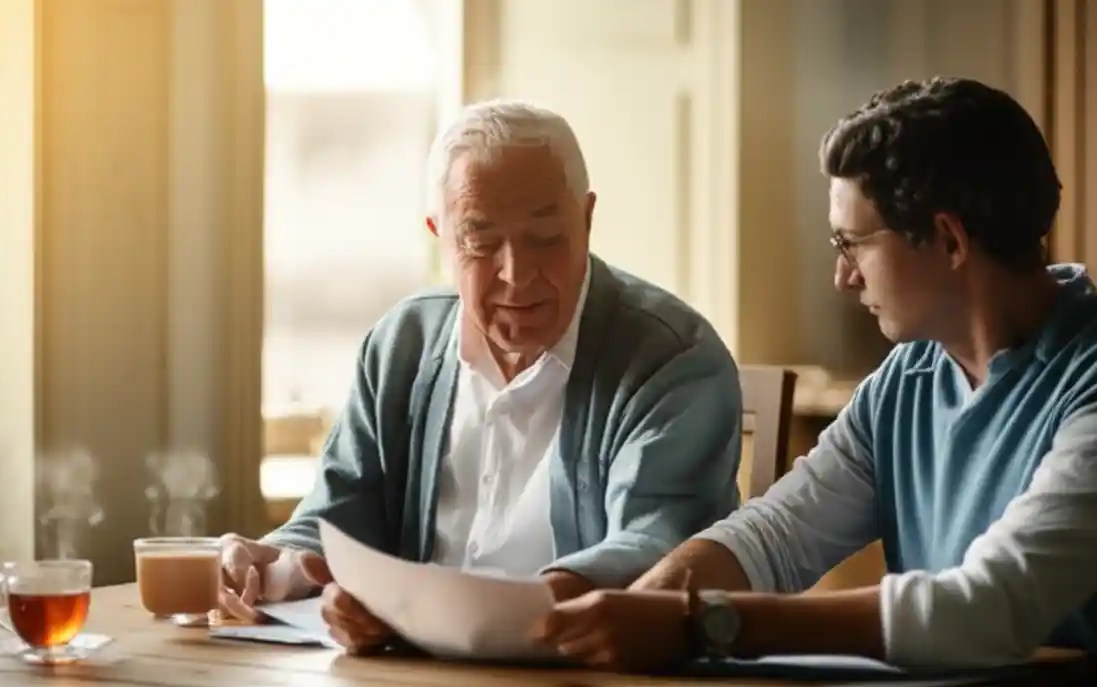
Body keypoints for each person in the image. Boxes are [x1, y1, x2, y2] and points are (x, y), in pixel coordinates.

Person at [533, 77, 1097, 687]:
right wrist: (641, 606)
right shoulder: (907, 379)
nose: (842, 276)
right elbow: (776, 535)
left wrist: (704, 623)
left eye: (851, 242)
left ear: (949, 239)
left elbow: (984, 611)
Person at [219, 100, 742, 654]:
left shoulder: (674, 359)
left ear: (586, 220)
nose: (516, 275)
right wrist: (273, 560)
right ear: (437, 234)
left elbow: (657, 548)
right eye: (480, 241)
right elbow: (337, 516)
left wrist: (465, 615)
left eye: (545, 237)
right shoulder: (403, 345)